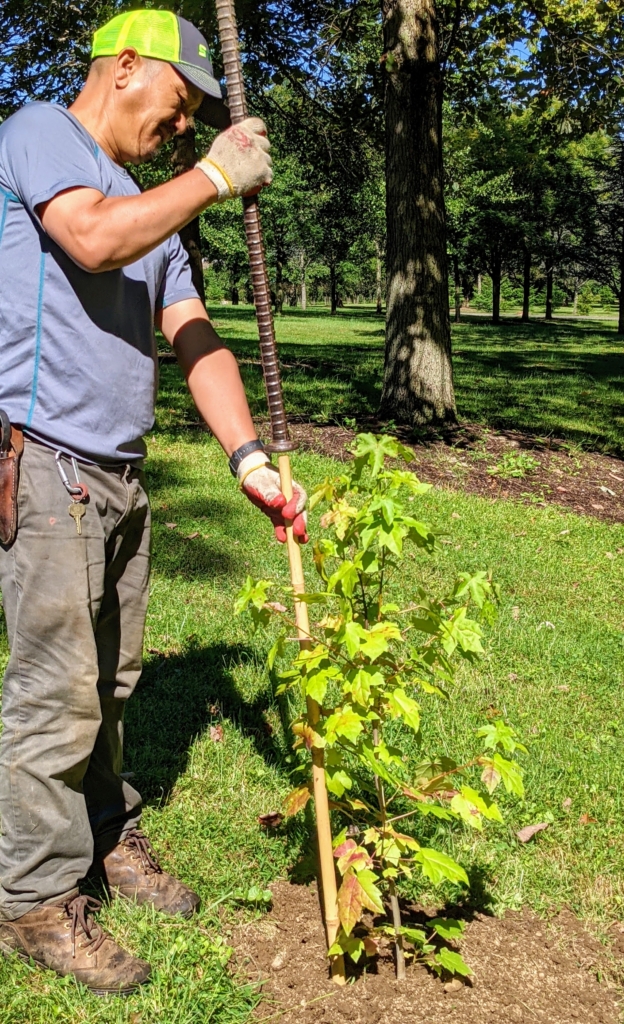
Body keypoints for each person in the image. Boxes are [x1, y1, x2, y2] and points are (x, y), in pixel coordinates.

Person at [0, 9, 307, 995]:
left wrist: (247, 456)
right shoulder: (42, 129)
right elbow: (88, 241)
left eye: (196, 126)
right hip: (45, 457)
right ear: (125, 67)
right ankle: (34, 902)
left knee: (109, 681)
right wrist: (215, 175)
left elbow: (193, 331)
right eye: (179, 107)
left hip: (119, 472)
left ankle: (101, 836)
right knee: (56, 691)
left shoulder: (154, 200)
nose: (183, 130)